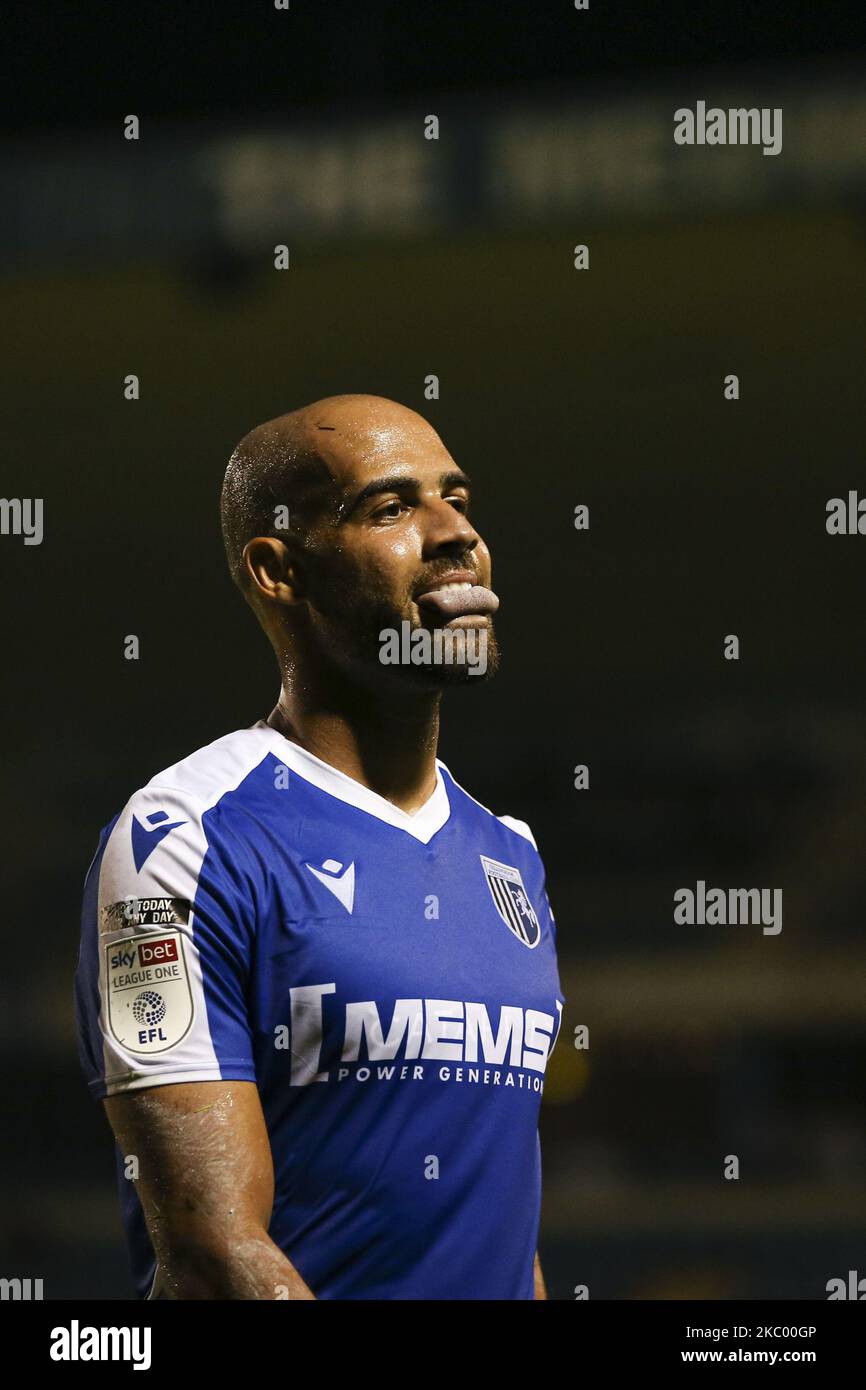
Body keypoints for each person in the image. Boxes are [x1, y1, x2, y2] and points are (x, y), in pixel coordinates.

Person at [74, 393, 565, 1299]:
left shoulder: (510, 855)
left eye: (458, 500)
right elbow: (215, 1254)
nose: (456, 533)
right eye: (391, 507)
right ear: (280, 571)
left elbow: (503, 1233)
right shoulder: (181, 840)